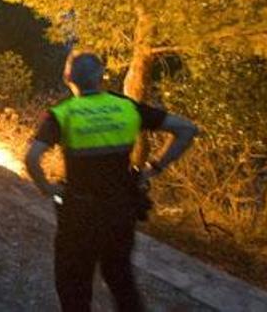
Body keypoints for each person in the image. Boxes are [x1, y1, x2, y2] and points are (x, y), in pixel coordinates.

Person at [25, 52, 198, 312]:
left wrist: (48, 189)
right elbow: (186, 129)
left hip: (79, 213)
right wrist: (154, 168)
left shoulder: (63, 113)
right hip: (120, 211)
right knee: (120, 277)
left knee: (73, 285)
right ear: (101, 76)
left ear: (68, 78)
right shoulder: (125, 107)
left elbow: (32, 158)